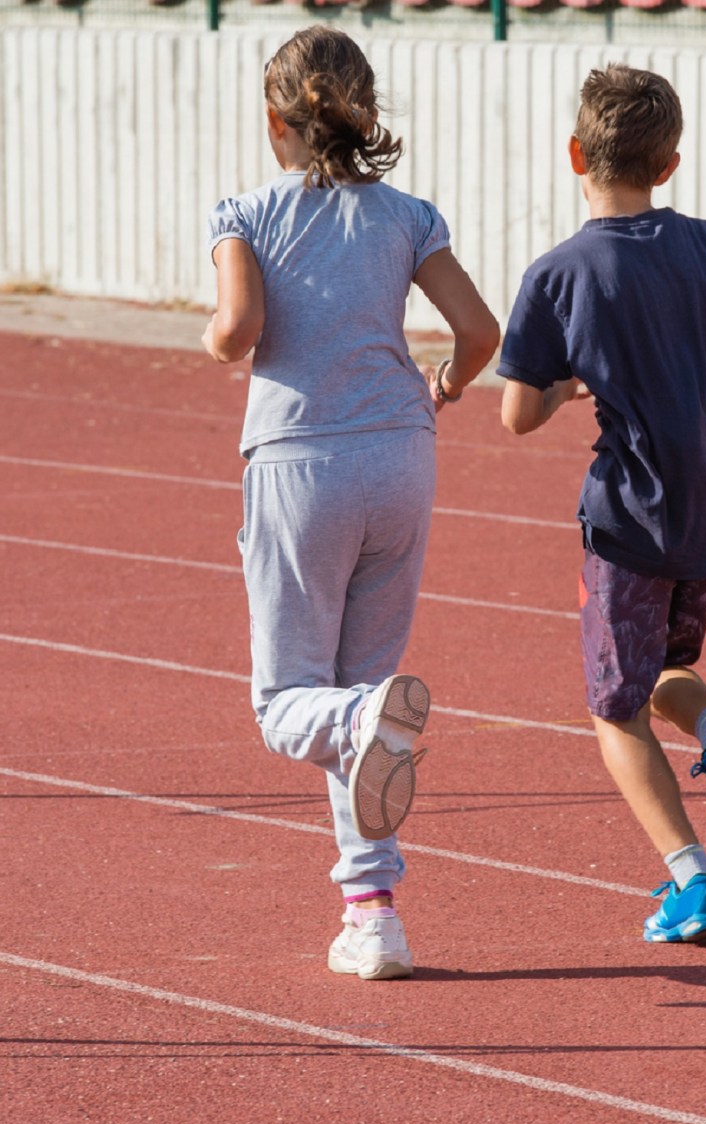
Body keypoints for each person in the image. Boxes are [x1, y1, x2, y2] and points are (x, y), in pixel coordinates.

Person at [497, 63, 706, 943]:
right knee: (661, 664)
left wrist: (572, 383)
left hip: (634, 519)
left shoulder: (559, 274)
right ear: (669, 163)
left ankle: (692, 881)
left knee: (614, 707)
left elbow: (517, 413)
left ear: (574, 152)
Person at [201, 26, 500, 980]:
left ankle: (366, 724)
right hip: (401, 458)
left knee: (293, 701)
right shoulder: (409, 214)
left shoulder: (244, 211)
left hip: (300, 460)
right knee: (360, 697)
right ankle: (373, 915)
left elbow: (239, 328)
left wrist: (213, 335)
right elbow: (479, 328)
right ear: (365, 111)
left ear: (274, 123)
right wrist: (447, 384)